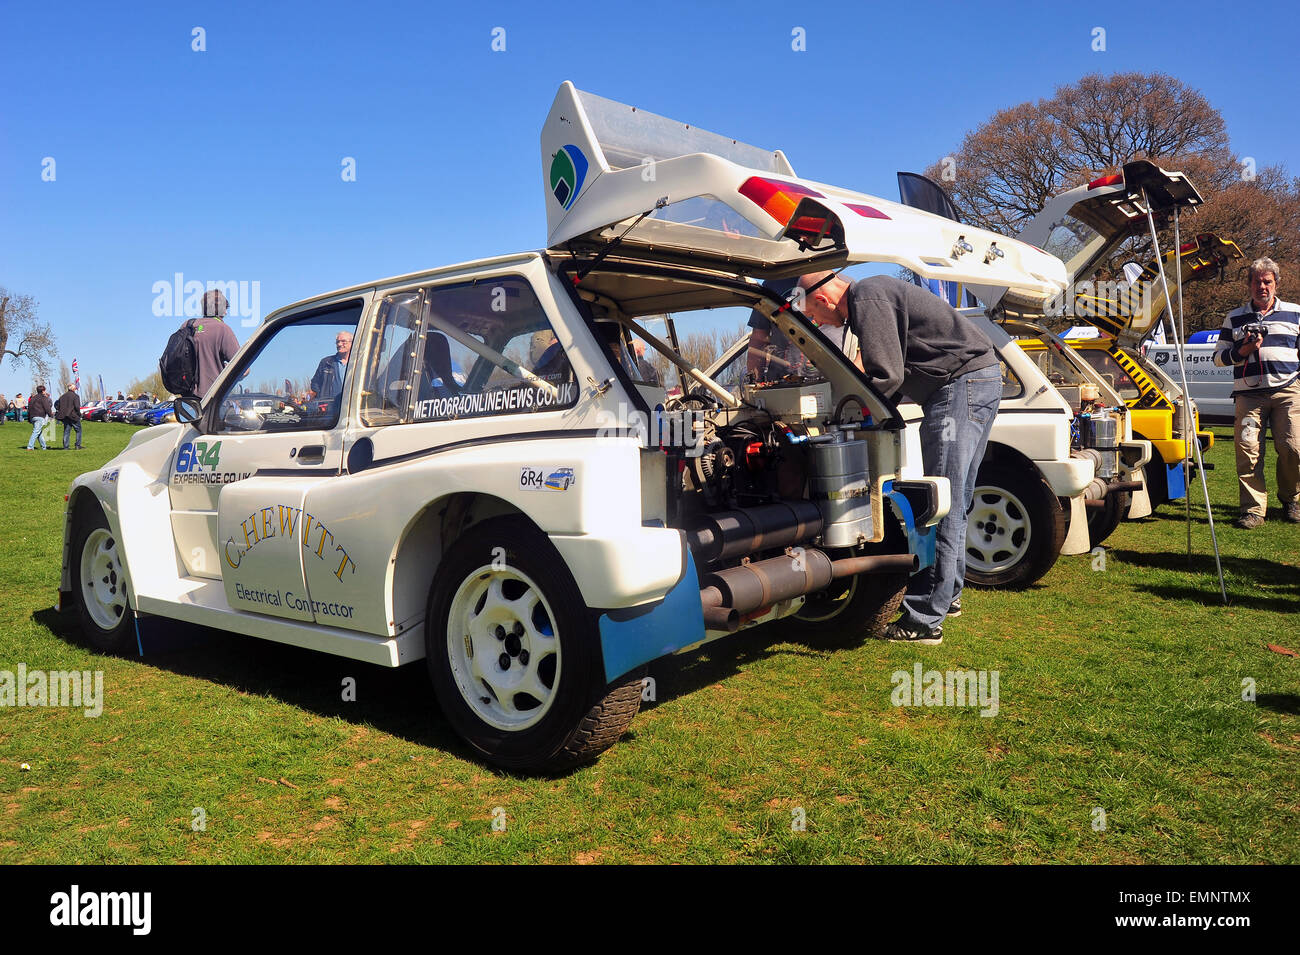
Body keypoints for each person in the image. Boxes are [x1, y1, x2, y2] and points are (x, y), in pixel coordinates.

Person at [797, 273, 1001, 645]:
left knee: (938, 503)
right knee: (954, 499)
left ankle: (924, 619)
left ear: (824, 300)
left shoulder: (867, 298)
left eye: (813, 315)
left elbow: (885, 375)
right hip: (978, 381)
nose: (816, 323)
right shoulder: (874, 294)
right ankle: (947, 596)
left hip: (957, 387)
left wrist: (847, 412)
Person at [1214, 257, 1300, 528]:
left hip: (1288, 391)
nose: (1262, 287)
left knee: (1293, 448)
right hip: (1249, 397)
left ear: (1276, 283)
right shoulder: (1235, 317)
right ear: (1249, 284)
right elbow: (1218, 359)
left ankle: (1291, 500)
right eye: (1257, 281)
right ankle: (1253, 510)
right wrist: (1242, 351)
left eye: (1267, 282)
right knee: (1248, 449)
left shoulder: (1296, 313)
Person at [193, 289, 241, 398]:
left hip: (186, 401)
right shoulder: (222, 329)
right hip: (211, 397)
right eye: (225, 308)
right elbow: (244, 369)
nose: (227, 312)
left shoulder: (188, 326)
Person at [310, 330, 352, 400]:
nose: (339, 344)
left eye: (343, 341)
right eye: (338, 342)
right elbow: (315, 383)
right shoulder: (326, 362)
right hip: (331, 407)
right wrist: (322, 396)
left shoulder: (358, 362)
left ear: (352, 343)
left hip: (352, 403)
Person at [24, 385, 54, 450]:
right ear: (43, 391)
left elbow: (29, 409)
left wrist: (29, 418)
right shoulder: (44, 398)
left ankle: (44, 446)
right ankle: (30, 447)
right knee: (36, 431)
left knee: (39, 432)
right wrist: (51, 416)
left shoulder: (32, 399)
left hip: (33, 417)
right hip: (39, 416)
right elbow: (47, 408)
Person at [56, 383, 83, 450]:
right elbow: (77, 406)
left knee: (66, 431)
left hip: (65, 416)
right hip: (73, 415)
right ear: (73, 389)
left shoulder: (62, 396)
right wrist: (79, 414)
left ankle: (66, 446)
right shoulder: (75, 396)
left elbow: (57, 406)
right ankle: (77, 445)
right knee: (78, 430)